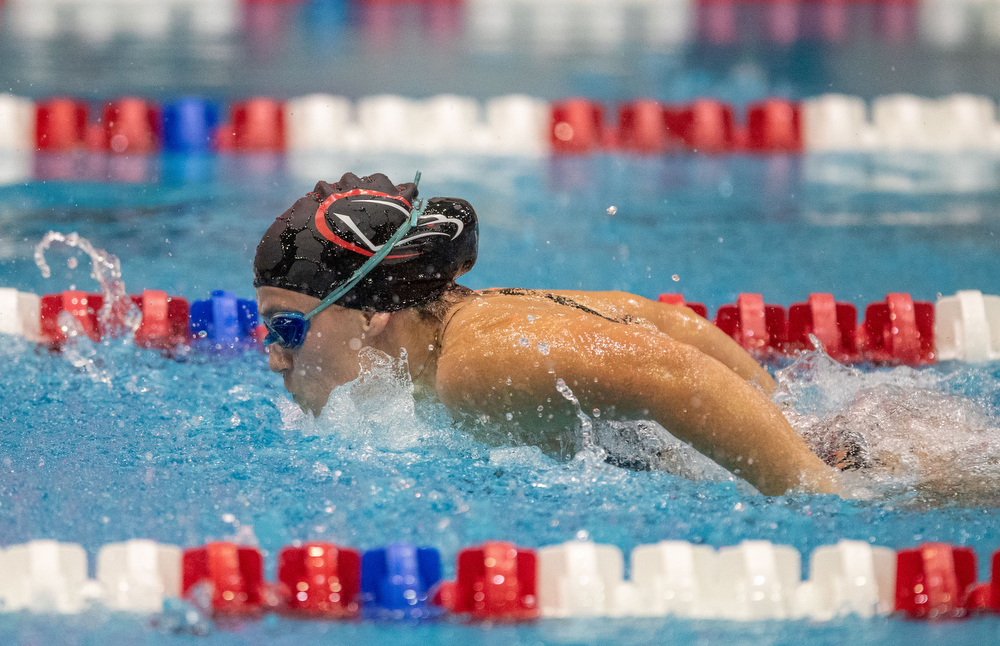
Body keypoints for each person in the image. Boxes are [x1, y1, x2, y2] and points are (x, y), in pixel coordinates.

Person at [254, 172, 840, 497]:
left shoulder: (474, 364)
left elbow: (669, 368)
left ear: (371, 311)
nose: (275, 356)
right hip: (838, 444)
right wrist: (791, 419)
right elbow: (660, 320)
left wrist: (814, 493)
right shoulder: (475, 317)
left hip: (864, 470)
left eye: (286, 326)